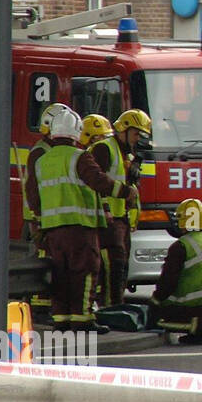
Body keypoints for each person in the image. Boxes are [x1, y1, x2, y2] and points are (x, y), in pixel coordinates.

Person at [28, 108, 136, 333]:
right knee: (85, 271)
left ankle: (61, 318)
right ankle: (82, 318)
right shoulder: (79, 156)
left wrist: (39, 221)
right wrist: (126, 192)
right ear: (77, 132)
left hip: (52, 229)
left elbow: (33, 195)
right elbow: (100, 182)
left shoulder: (43, 160)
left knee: (60, 273)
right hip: (80, 227)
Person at [150, 198, 202, 345]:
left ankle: (200, 326)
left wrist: (155, 302)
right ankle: (197, 327)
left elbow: (168, 282)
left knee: (157, 321)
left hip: (198, 301)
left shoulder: (181, 246)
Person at [22, 103, 73, 317]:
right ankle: (40, 307)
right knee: (43, 260)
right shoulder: (41, 153)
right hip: (39, 218)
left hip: (48, 216)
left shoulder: (50, 150)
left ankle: (45, 305)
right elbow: (34, 188)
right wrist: (40, 215)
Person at [82, 114, 128, 308]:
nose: (100, 141)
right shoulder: (99, 152)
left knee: (115, 265)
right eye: (95, 138)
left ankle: (110, 304)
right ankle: (109, 306)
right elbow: (99, 184)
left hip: (117, 217)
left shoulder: (116, 150)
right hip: (104, 218)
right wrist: (107, 209)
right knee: (109, 264)